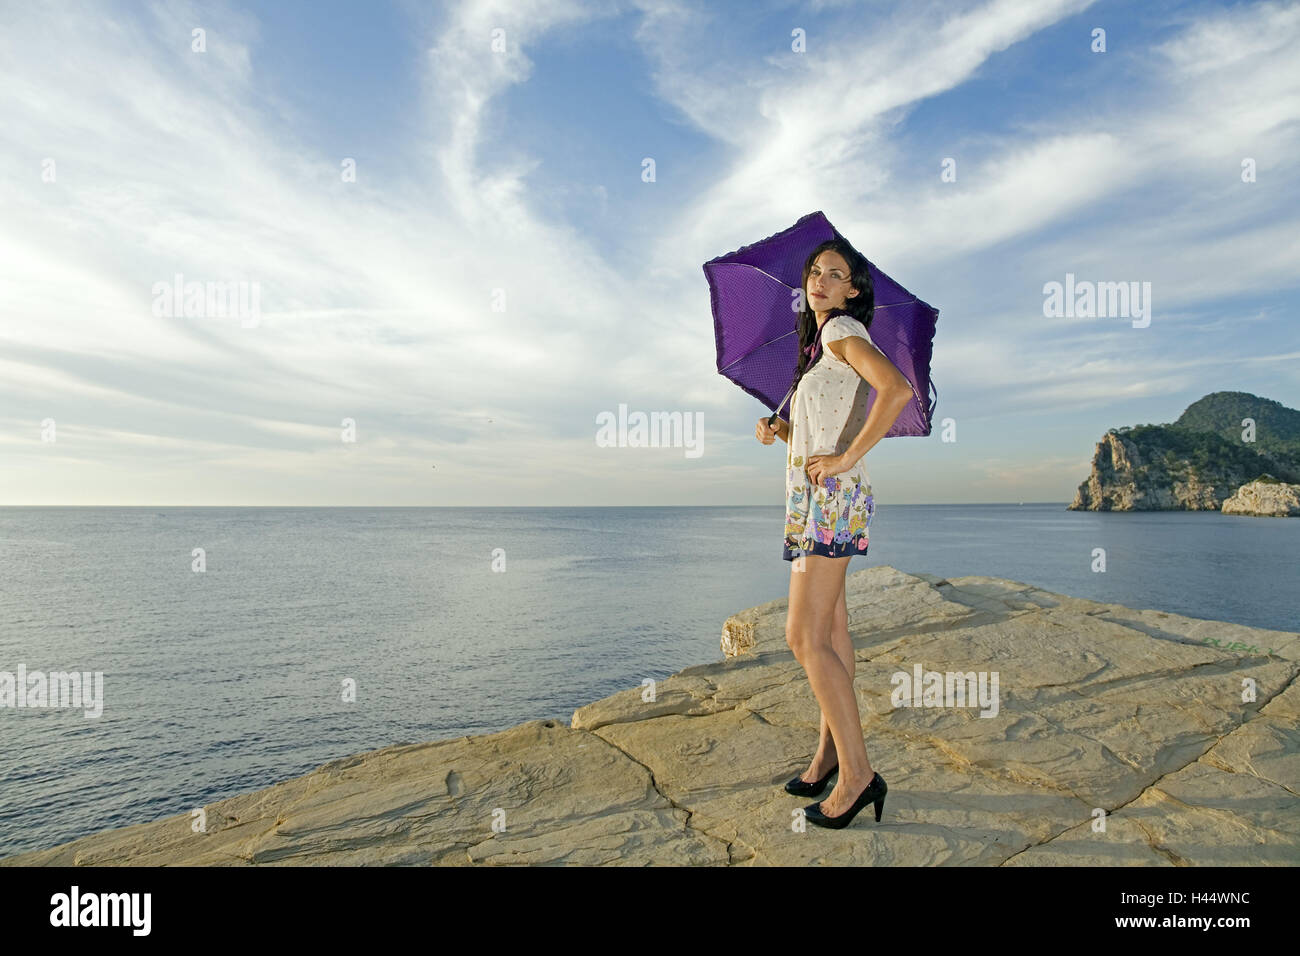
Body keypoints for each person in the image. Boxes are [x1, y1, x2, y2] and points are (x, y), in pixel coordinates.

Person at [755, 240, 913, 828]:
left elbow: (896, 390)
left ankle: (858, 775)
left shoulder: (843, 329)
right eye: (814, 272)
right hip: (816, 503)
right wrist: (782, 427)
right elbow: (821, 422)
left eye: (835, 274)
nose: (820, 281)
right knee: (833, 630)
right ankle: (828, 756)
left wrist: (846, 456)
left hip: (831, 504)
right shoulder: (818, 349)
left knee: (802, 637)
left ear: (853, 290)